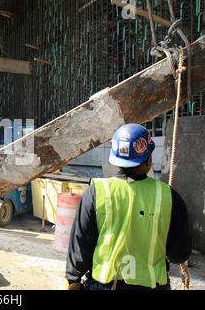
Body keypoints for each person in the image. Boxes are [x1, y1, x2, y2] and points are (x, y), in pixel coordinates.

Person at [65, 123, 191, 290]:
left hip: (105, 285)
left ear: (116, 160)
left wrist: (72, 280)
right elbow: (178, 255)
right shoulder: (169, 197)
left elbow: (80, 247)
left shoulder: (96, 192)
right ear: (149, 159)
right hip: (153, 286)